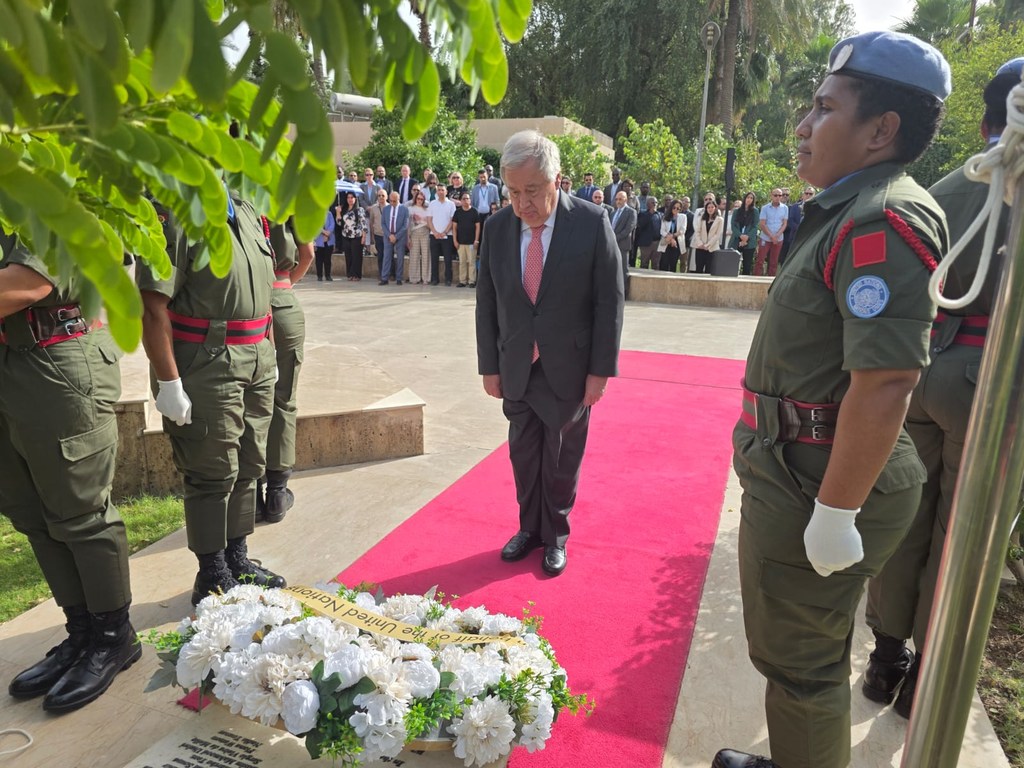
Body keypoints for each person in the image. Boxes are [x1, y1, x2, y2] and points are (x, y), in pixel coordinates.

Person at [715, 31, 951, 768]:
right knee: (797, 652)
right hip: (804, 464)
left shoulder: (881, 218)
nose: (802, 126)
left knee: (802, 668)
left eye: (823, 108)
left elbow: (887, 381)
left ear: (881, 130)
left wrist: (837, 511)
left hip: (819, 475)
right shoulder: (851, 210)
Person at [861, 56, 1020, 722]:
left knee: (904, 514)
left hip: (924, 366)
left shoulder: (949, 185)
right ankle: (928, 665)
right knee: (963, 531)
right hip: (991, 382)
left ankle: (885, 658)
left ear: (984, 122)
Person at [1, 231, 140, 713]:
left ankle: (113, 637)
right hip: (11, 361)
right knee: (30, 511)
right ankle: (82, 632)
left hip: (55, 357)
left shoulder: (39, 187)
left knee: (81, 513)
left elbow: (27, 282)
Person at [476, 130, 624, 577]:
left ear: (557, 180)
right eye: (513, 192)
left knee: (560, 460)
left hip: (569, 368)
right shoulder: (498, 228)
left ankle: (555, 535)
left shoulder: (591, 223)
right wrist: (489, 367)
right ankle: (529, 529)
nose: (522, 203)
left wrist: (600, 372)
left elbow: (609, 301)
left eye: (532, 190)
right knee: (523, 456)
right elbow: (487, 301)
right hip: (518, 365)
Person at [138, 190, 288, 607]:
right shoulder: (174, 209)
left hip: (255, 356)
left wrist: (269, 351)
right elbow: (152, 306)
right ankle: (212, 572)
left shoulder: (245, 208)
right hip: (207, 359)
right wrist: (169, 381)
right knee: (212, 469)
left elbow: (263, 293)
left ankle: (237, 557)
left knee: (249, 463)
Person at [259, 220, 314, 523]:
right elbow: (308, 255)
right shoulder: (289, 198)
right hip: (282, 298)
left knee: (250, 401)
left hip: (247, 303)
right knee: (284, 398)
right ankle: (277, 493)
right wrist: (283, 287)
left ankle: (250, 494)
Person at [427, 183, 457, 286]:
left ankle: (448, 279)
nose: (440, 192)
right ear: (436, 192)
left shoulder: (451, 204)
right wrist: (435, 232)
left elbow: (452, 220)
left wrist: (444, 232)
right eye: (439, 190)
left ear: (446, 192)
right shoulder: (432, 204)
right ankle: (434, 279)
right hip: (434, 235)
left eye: (442, 190)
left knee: (448, 259)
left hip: (447, 236)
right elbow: (429, 219)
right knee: (434, 258)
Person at [754, 188, 788, 277]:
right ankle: (756, 279)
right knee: (760, 260)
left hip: (778, 238)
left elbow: (784, 224)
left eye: (780, 195)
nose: (778, 197)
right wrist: (771, 236)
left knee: (774, 261)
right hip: (765, 238)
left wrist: (777, 236)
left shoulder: (785, 208)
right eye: (775, 195)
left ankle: (770, 280)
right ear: (771, 196)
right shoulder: (765, 208)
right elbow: (762, 224)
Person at [453, 191, 481, 288]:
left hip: (472, 242)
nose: (466, 200)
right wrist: (455, 241)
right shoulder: (457, 212)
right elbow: (454, 227)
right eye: (464, 199)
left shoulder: (475, 212)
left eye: (467, 198)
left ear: (470, 200)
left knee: (472, 262)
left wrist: (476, 240)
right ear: (460, 201)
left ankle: (472, 281)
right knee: (462, 263)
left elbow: (478, 227)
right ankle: (462, 281)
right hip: (460, 242)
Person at [381, 191, 409, 286]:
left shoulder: (404, 209)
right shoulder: (386, 209)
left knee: (400, 257)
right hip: (388, 236)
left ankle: (399, 278)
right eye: (391, 201)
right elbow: (383, 223)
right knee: (387, 257)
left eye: (394, 201)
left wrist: (396, 236)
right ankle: (384, 278)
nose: (392, 203)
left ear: (398, 199)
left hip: (400, 236)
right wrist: (389, 235)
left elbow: (405, 225)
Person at [339, 190, 368, 281]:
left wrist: (364, 237)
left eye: (352, 197)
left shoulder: (359, 209)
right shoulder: (344, 209)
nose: (350, 199)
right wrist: (338, 213)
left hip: (356, 236)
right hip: (346, 235)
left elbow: (363, 224)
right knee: (348, 256)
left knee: (356, 256)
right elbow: (340, 223)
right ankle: (350, 274)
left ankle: (357, 275)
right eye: (348, 197)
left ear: (355, 199)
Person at [729, 192, 760, 276]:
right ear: (744, 198)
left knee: (747, 266)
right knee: (732, 264)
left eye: (751, 198)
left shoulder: (755, 211)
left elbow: (755, 226)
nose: (749, 199)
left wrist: (746, 237)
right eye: (748, 197)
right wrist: (740, 235)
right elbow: (733, 226)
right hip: (736, 240)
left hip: (749, 241)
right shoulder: (737, 211)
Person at [610, 190, 637, 284]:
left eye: (620, 199)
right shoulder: (613, 213)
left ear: (626, 200)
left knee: (622, 269)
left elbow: (628, 229)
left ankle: (623, 291)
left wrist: (614, 238)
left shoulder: (631, 212)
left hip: (622, 245)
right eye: (616, 199)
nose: (618, 201)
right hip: (611, 246)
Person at [692, 199, 724, 274]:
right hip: (700, 247)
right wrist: (700, 243)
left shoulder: (720, 220)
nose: (710, 209)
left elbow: (717, 234)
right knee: (698, 269)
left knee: (709, 270)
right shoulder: (702, 218)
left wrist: (707, 245)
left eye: (712, 207)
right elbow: (697, 231)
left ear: (715, 208)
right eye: (708, 207)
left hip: (712, 248)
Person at [407, 191, 432, 284]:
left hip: (425, 232)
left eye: (421, 199)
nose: (419, 201)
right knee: (414, 256)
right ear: (415, 199)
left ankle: (426, 278)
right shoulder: (410, 209)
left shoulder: (427, 210)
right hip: (414, 233)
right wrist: (408, 238)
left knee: (426, 255)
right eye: (418, 199)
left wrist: (421, 219)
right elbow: (408, 224)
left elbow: (429, 223)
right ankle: (414, 278)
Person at [635, 196, 662, 270]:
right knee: (644, 263)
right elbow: (640, 225)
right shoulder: (642, 214)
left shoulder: (660, 215)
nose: (655, 204)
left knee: (656, 264)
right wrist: (650, 213)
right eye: (653, 202)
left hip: (657, 243)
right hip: (646, 244)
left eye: (656, 202)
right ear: (648, 204)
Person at [657, 199, 684, 273]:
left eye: (678, 208)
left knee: (673, 264)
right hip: (667, 242)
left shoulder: (683, 217)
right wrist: (671, 239)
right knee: (664, 263)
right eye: (674, 207)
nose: (675, 209)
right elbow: (662, 231)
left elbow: (682, 230)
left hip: (677, 243)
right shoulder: (665, 217)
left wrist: (673, 236)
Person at [367, 188, 388, 279]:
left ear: (386, 197)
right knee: (380, 256)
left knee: (388, 255)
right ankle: (381, 274)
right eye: (379, 195)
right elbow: (371, 222)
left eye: (383, 195)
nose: (381, 197)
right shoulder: (373, 208)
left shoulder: (390, 207)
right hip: (377, 235)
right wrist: (372, 237)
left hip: (387, 235)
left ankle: (390, 274)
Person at [313, 208, 335, 281]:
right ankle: (319, 276)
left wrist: (328, 233)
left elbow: (332, 224)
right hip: (318, 240)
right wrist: (324, 232)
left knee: (327, 259)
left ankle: (328, 275)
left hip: (329, 240)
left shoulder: (329, 213)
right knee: (319, 260)